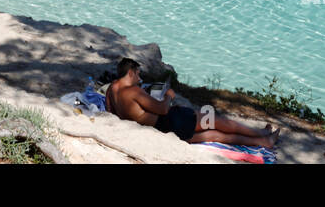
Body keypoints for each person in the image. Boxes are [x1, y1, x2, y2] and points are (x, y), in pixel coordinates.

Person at [107, 58, 279, 148]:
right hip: (170, 122)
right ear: (130, 73)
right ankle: (261, 133)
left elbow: (111, 114)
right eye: (137, 74)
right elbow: (163, 109)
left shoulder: (112, 89)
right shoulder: (133, 91)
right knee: (217, 121)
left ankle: (264, 141)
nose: (139, 77)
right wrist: (169, 95)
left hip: (158, 129)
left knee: (212, 135)